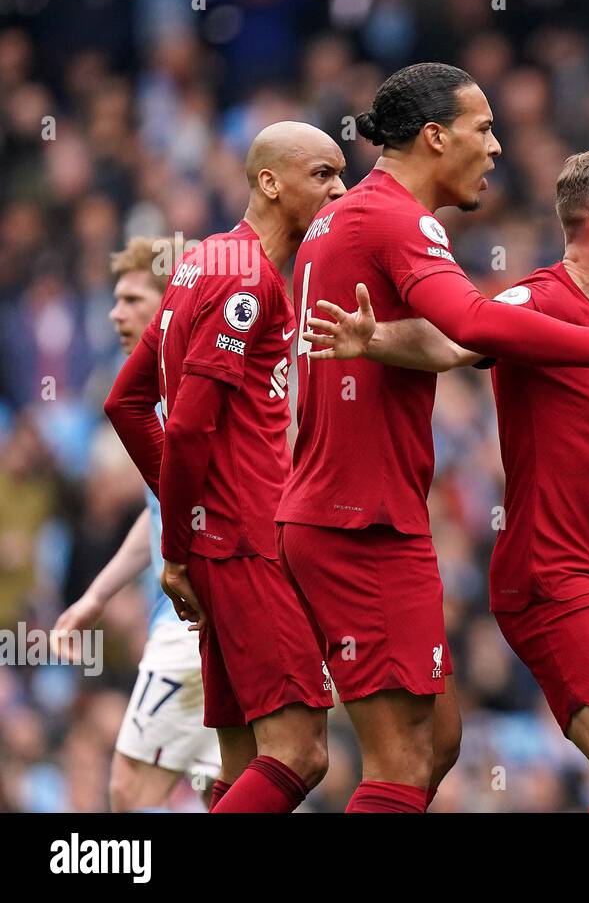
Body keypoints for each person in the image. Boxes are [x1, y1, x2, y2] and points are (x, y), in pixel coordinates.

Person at [277, 64, 589, 813]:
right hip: (360, 518)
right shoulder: (395, 216)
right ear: (435, 136)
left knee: (434, 740)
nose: (497, 147)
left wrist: (378, 338)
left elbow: (440, 333)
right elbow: (473, 327)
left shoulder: (354, 218)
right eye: (484, 129)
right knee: (399, 758)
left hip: (366, 511)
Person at [104, 121, 347, 813]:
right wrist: (178, 547)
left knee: (243, 764)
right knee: (301, 752)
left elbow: (127, 402)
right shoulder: (249, 284)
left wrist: (190, 530)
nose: (341, 189)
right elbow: (182, 427)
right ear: (270, 182)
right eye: (323, 174)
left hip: (223, 543)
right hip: (248, 544)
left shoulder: (200, 262)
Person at [56, 237, 221, 811]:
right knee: (222, 790)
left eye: (131, 299)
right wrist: (97, 596)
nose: (115, 313)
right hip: (212, 618)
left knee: (129, 791)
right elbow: (156, 513)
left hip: (190, 621)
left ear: (172, 304)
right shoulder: (159, 391)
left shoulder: (193, 390)